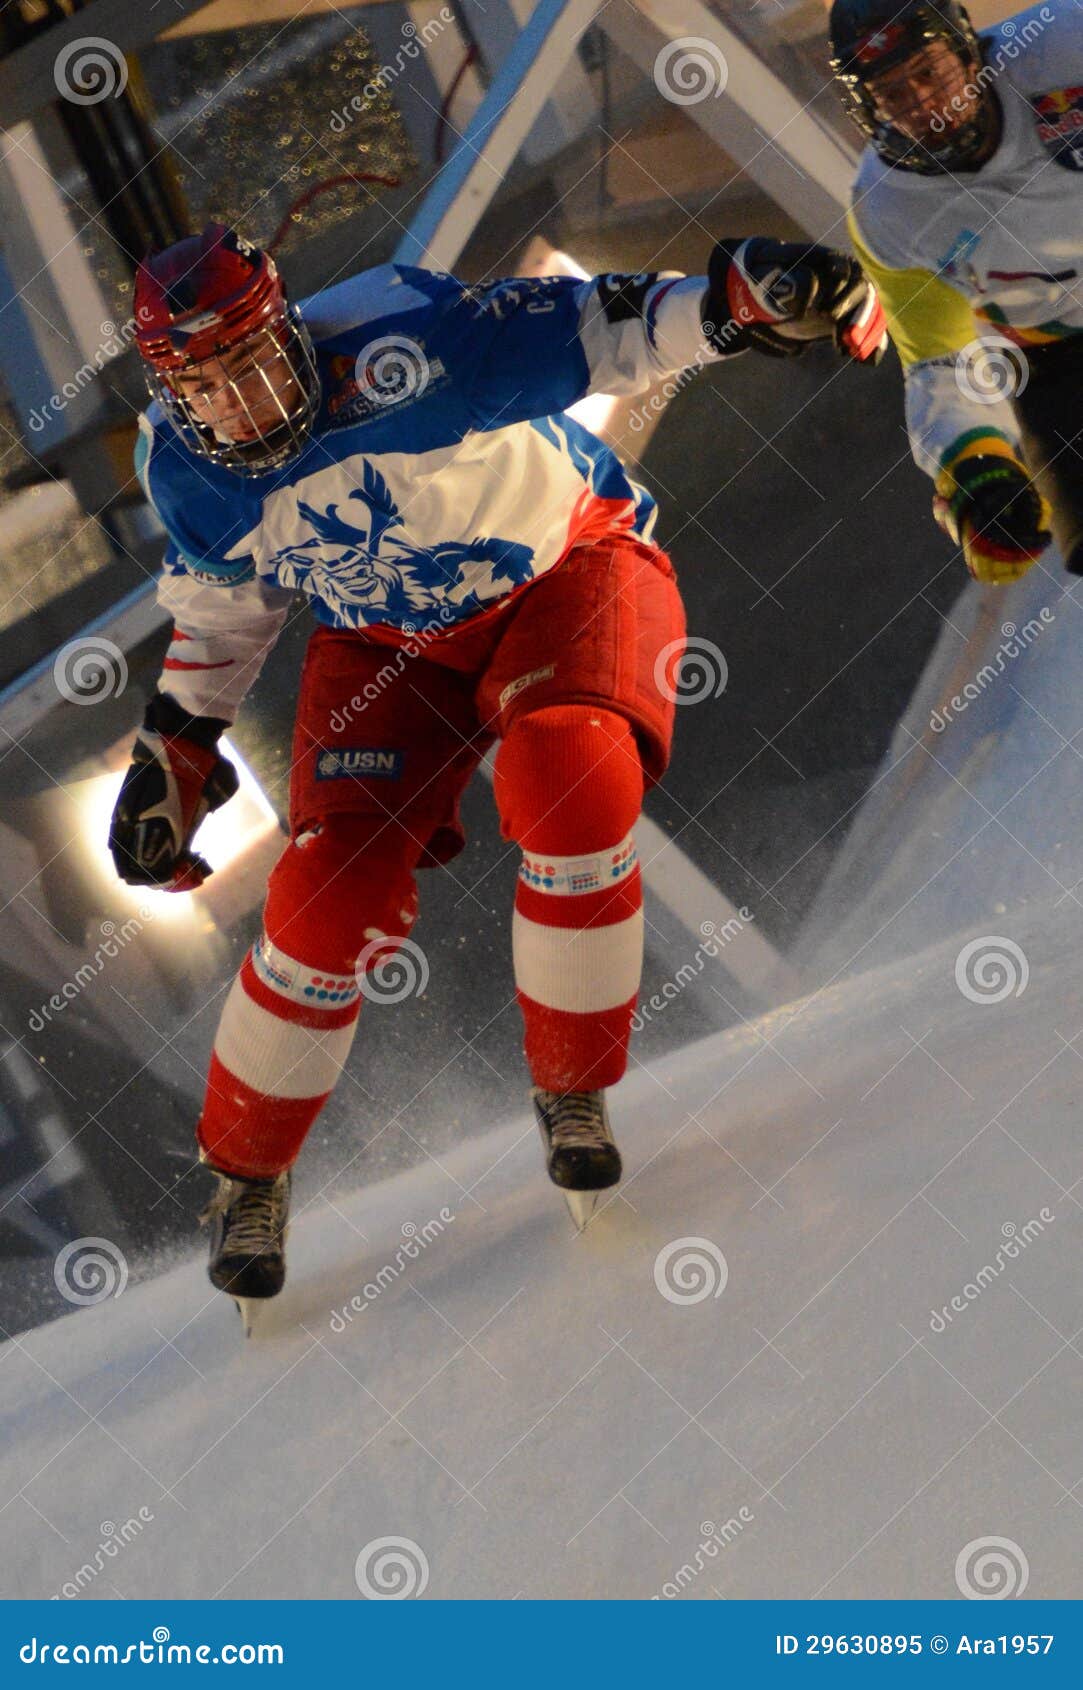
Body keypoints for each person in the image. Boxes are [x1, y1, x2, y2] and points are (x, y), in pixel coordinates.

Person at [110, 222, 885, 1319]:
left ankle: (573, 1092)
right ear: (171, 392)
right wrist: (176, 744)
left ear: (290, 332)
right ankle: (247, 1174)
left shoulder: (405, 338)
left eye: (252, 363)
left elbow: (600, 329)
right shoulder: (181, 467)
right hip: (389, 642)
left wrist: (733, 301)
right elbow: (227, 610)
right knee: (327, 899)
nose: (238, 404)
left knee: (569, 776)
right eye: (205, 385)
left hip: (568, 566)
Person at [827, 0, 1083, 584]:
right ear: (865, 108)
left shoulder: (1068, 43)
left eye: (928, 71)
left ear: (969, 54)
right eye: (891, 92)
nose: (922, 104)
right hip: (1057, 361)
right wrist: (973, 466)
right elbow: (938, 358)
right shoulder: (886, 210)